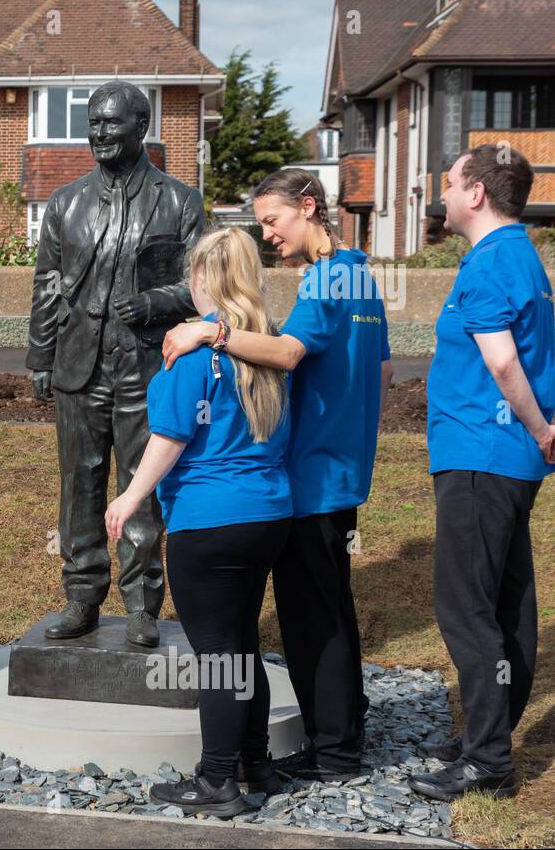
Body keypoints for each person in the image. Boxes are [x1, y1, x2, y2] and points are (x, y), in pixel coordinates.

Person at [162, 169, 392, 783]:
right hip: (343, 470)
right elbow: (384, 371)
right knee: (332, 610)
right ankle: (340, 738)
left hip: (313, 479)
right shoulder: (363, 276)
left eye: (273, 220)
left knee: (313, 621)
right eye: (261, 225)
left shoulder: (326, 279)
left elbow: (288, 354)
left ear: (309, 207)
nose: (267, 236)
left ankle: (335, 752)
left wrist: (211, 331)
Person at [106, 227, 292, 818]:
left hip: (208, 522)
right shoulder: (264, 351)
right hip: (268, 515)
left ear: (200, 281)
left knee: (216, 653)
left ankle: (217, 782)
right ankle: (255, 762)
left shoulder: (195, 356)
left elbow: (170, 436)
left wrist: (130, 496)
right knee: (241, 646)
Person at [26, 80, 206, 648]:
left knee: (141, 485)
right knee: (79, 483)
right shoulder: (65, 203)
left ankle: (141, 605)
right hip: (79, 365)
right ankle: (81, 596)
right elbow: (48, 285)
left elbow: (204, 286)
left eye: (111, 123)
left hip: (148, 367)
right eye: (93, 123)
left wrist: (157, 302)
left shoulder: (179, 201)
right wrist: (40, 356)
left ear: (141, 127)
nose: (99, 133)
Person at [408, 145, 555, 802]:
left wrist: (541, 427)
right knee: (505, 600)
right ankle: (483, 738)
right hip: (506, 460)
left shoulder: (491, 264)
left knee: (465, 605)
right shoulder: (525, 257)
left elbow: (502, 363)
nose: (440, 194)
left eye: (448, 183)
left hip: (481, 453)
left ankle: (489, 758)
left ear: (475, 194)